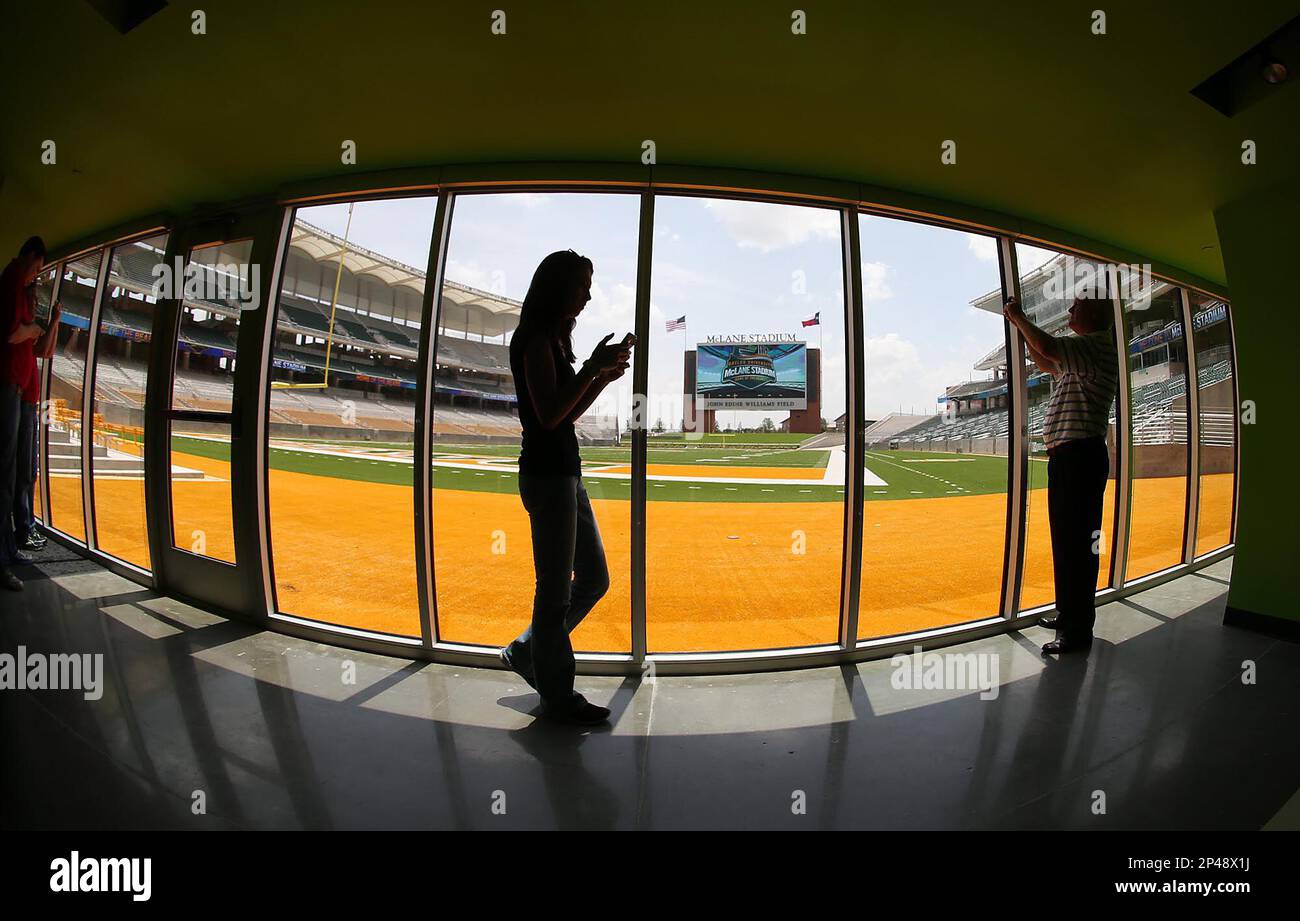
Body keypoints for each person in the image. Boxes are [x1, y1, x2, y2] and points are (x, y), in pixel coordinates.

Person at [500, 249, 633, 725]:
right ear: (557, 286)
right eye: (581, 285)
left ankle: (527, 650)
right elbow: (551, 414)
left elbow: (567, 410)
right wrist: (593, 369)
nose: (588, 295)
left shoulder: (552, 340)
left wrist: (600, 375)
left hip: (564, 474)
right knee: (554, 595)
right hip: (548, 476)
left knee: (593, 579)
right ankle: (558, 696)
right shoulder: (534, 338)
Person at [1004, 290, 1119, 655]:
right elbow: (1045, 362)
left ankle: (1078, 631)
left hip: (1079, 457)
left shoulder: (1095, 347)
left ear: (1096, 315)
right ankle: (1069, 615)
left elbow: (1050, 348)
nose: (1070, 309)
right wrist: (1018, 327)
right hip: (1071, 459)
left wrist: (1020, 317)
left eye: (1077, 306)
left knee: (1078, 547)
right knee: (1068, 543)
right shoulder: (1085, 355)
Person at [1, 236, 52, 590]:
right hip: (9, 388)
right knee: (7, 477)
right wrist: (33, 329)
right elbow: (11, 333)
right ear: (30, 258)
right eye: (37, 267)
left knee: (14, 473)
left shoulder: (19, 285)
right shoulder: (12, 280)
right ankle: (5, 556)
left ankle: (9, 548)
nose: (37, 274)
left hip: (15, 390)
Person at [15, 295, 60, 553]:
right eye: (31, 300)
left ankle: (26, 525)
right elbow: (44, 350)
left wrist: (54, 322)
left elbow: (47, 351)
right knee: (24, 472)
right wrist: (51, 322)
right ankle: (24, 527)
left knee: (29, 472)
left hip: (30, 406)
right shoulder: (23, 331)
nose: (34, 305)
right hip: (24, 405)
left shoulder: (30, 333)